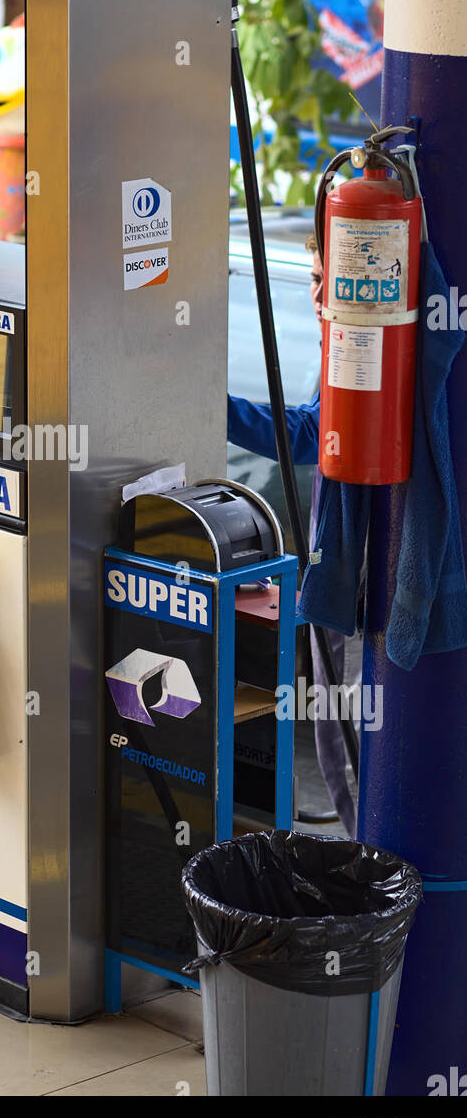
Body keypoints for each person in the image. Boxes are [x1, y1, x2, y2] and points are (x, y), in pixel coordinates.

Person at [227, 234, 357, 834]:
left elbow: (306, 435)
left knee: (352, 749)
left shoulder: (365, 353)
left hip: (355, 591)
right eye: (312, 277)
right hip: (335, 581)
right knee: (339, 744)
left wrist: (213, 402)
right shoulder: (343, 350)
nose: (320, 291)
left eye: (328, 276)